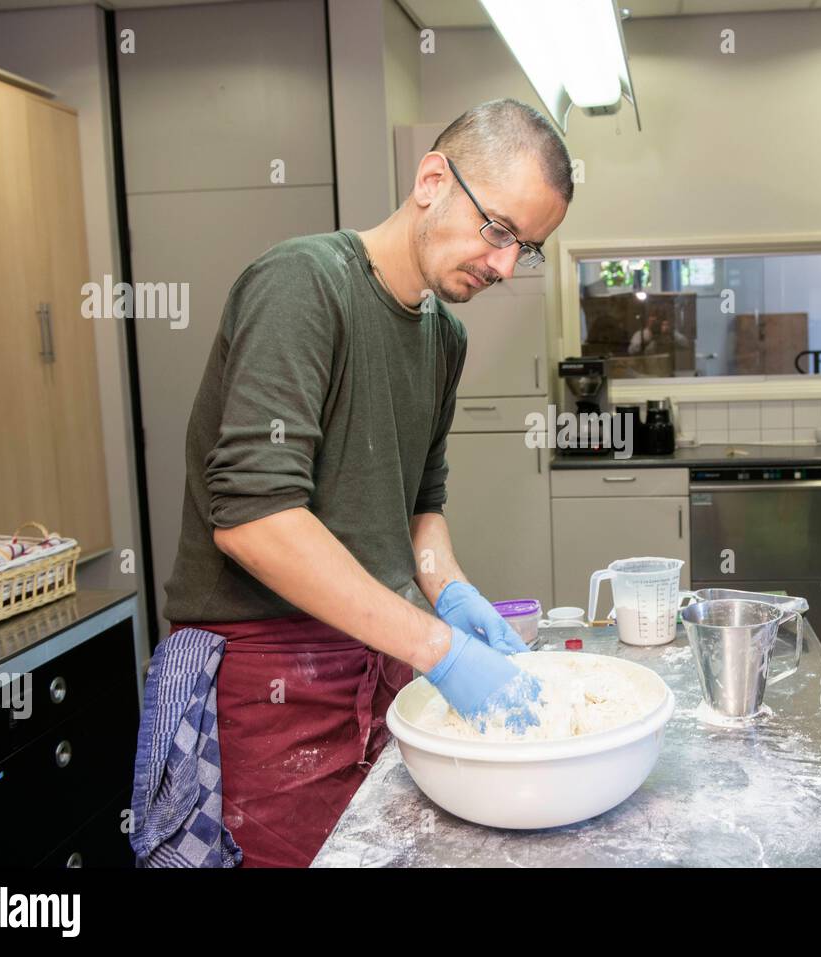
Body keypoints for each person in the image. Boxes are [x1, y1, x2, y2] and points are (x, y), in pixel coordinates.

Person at [160, 98, 573, 866]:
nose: (507, 266)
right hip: (271, 680)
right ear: (431, 179)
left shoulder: (442, 336)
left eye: (530, 248)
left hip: (377, 660)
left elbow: (421, 506)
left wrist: (452, 593)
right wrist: (439, 646)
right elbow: (254, 519)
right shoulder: (302, 287)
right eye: (500, 230)